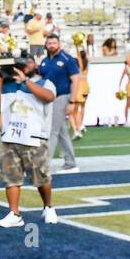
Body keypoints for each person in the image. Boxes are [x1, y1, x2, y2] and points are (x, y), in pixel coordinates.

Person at [0, 55, 58, 228]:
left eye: (27, 63)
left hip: (34, 138)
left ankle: (48, 207)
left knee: (41, 177)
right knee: (11, 178)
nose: (24, 66)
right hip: (10, 137)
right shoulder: (5, 85)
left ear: (34, 65)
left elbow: (49, 97)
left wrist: (25, 80)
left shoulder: (44, 83)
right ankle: (14, 213)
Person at [39, 33, 80, 174]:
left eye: (54, 43)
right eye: (49, 43)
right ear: (46, 45)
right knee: (62, 132)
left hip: (62, 97)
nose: (51, 45)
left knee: (52, 131)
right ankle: (70, 163)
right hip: (48, 99)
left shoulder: (67, 59)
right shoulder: (44, 61)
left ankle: (44, 165)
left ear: (59, 44)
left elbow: (76, 80)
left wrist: (72, 101)